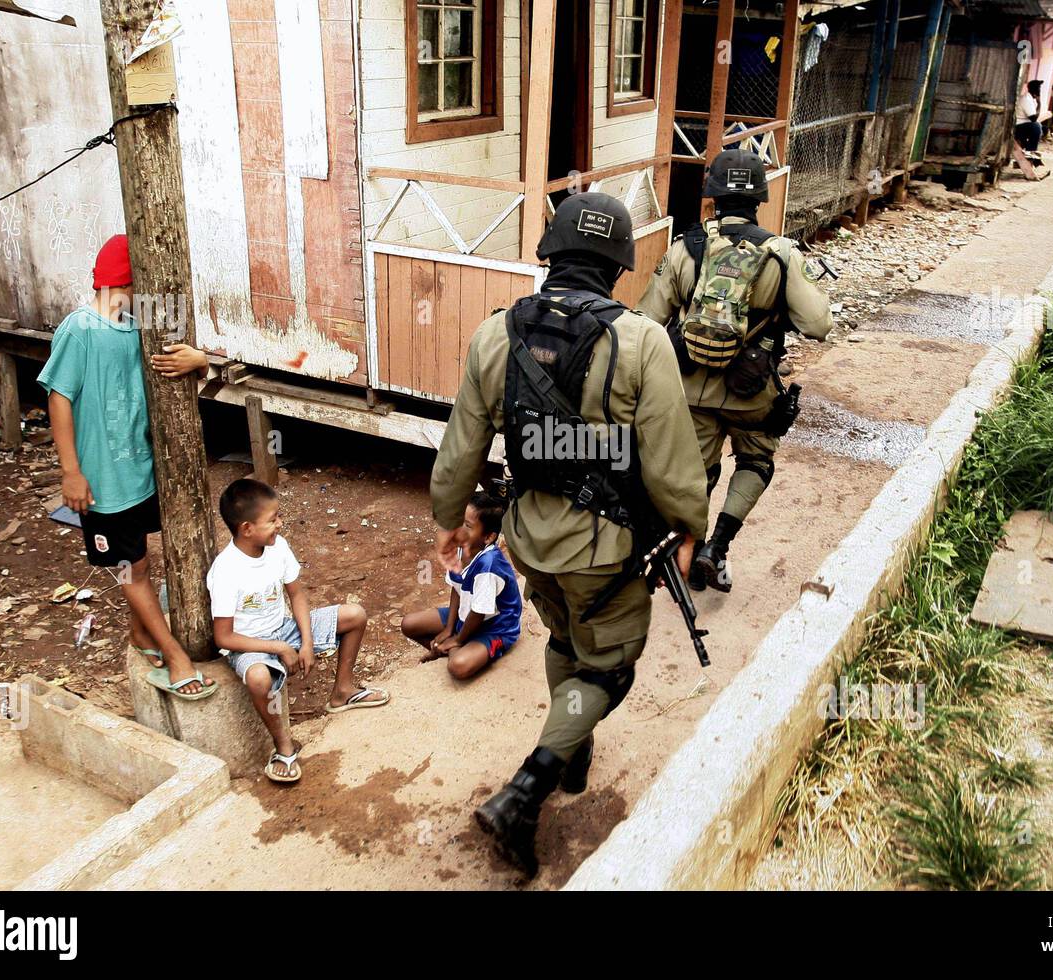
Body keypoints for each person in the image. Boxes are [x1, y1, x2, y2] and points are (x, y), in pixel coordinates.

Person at [429, 192, 708, 876]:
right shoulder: (642, 342)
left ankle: (572, 744)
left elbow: (459, 455)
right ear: (619, 269)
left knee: (562, 638)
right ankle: (527, 789)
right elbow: (674, 469)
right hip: (608, 552)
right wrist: (690, 528)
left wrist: (451, 519)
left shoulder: (496, 334)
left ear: (548, 254)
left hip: (529, 539)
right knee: (609, 668)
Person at [637, 149, 832, 595]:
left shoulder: (685, 248)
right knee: (756, 460)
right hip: (752, 390)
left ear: (712, 197)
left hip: (689, 388)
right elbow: (819, 324)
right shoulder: (780, 253)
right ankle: (717, 549)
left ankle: (690, 550)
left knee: (697, 474)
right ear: (760, 198)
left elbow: (646, 322)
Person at [39, 234, 217, 700]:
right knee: (130, 569)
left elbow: (189, 367)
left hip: (139, 472)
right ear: (130, 281)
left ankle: (142, 634)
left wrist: (202, 363)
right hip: (101, 483)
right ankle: (174, 653)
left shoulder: (141, 326)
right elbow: (58, 398)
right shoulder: (80, 330)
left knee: (140, 560)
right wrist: (70, 472)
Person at [207, 478, 389, 783]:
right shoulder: (226, 571)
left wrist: (305, 642)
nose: (280, 523)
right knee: (258, 677)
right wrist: (279, 649)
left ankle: (342, 691)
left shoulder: (278, 548)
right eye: (272, 519)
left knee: (354, 616)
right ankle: (284, 748)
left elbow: (298, 595)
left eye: (278, 515)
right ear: (247, 529)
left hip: (285, 629)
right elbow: (224, 638)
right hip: (249, 646)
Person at [401, 492, 522, 680]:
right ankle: (453, 648)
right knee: (409, 624)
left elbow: (479, 612)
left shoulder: (488, 565)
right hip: (466, 615)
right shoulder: (460, 547)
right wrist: (450, 628)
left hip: (496, 626)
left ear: (488, 537)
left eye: (468, 526)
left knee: (458, 667)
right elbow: (456, 589)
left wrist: (456, 639)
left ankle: (455, 649)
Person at [1015, 79, 1045, 156]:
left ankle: (1026, 147)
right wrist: (1039, 103)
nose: (1040, 91)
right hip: (1017, 126)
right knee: (1036, 127)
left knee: (1043, 128)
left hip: (1023, 125)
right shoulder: (1026, 99)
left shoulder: (1029, 99)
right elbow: (1034, 118)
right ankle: (1030, 151)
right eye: (1039, 88)